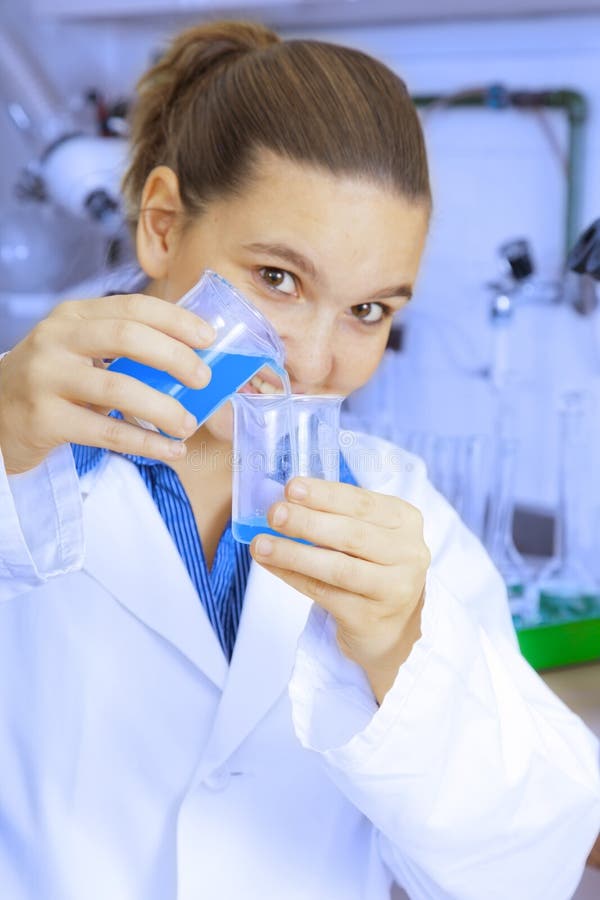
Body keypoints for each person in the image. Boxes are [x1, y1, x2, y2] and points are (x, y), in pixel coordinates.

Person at [0, 20, 598, 900]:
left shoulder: (400, 507)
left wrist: (400, 653)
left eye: (369, 311)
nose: (312, 364)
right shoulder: (19, 452)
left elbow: (538, 855)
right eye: (278, 279)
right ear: (161, 226)